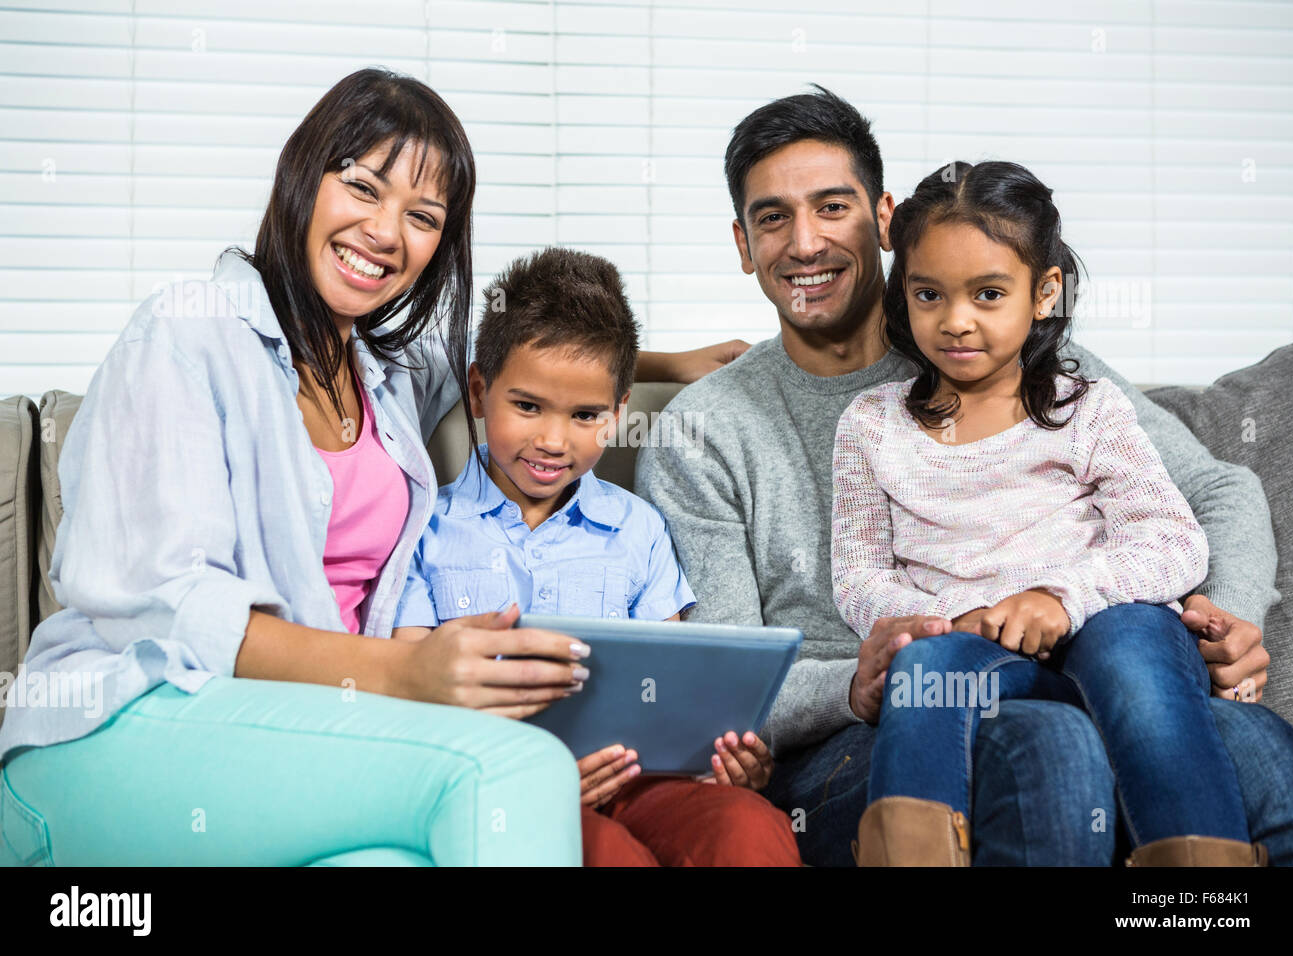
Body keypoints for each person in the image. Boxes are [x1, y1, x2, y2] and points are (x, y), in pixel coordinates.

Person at [0, 68, 742, 867]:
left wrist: (665, 359)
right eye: (362, 187)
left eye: (422, 216)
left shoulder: (383, 373)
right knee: (513, 765)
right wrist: (404, 671)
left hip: (307, 740)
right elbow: (178, 610)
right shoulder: (186, 335)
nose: (387, 233)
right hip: (127, 723)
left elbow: (514, 358)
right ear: (301, 179)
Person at [635, 85, 1293, 867]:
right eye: (772, 217)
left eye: (832, 207)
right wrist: (860, 678)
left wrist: (1219, 619)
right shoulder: (701, 431)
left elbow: (1218, 491)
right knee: (1046, 745)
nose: (805, 242)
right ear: (744, 245)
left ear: (884, 219)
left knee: (1257, 744)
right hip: (861, 733)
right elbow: (726, 684)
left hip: (1077, 647)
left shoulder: (1030, 363)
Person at [833, 159, 1264, 866]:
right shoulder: (871, 424)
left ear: (1044, 293)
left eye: (989, 293)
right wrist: (956, 618)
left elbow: (1172, 540)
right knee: (925, 670)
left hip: (1101, 635)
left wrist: (1060, 599)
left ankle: (1201, 896)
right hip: (978, 648)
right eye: (929, 293)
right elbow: (858, 574)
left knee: (1135, 641)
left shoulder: (1087, 407)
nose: (956, 320)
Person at [389, 246, 799, 866]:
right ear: (478, 390)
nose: (553, 441)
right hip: (503, 780)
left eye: (584, 415)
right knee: (600, 851)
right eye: (526, 406)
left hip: (639, 777)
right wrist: (537, 774)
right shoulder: (425, 523)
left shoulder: (639, 527)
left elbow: (678, 684)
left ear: (618, 413)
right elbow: (409, 689)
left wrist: (722, 754)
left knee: (749, 827)